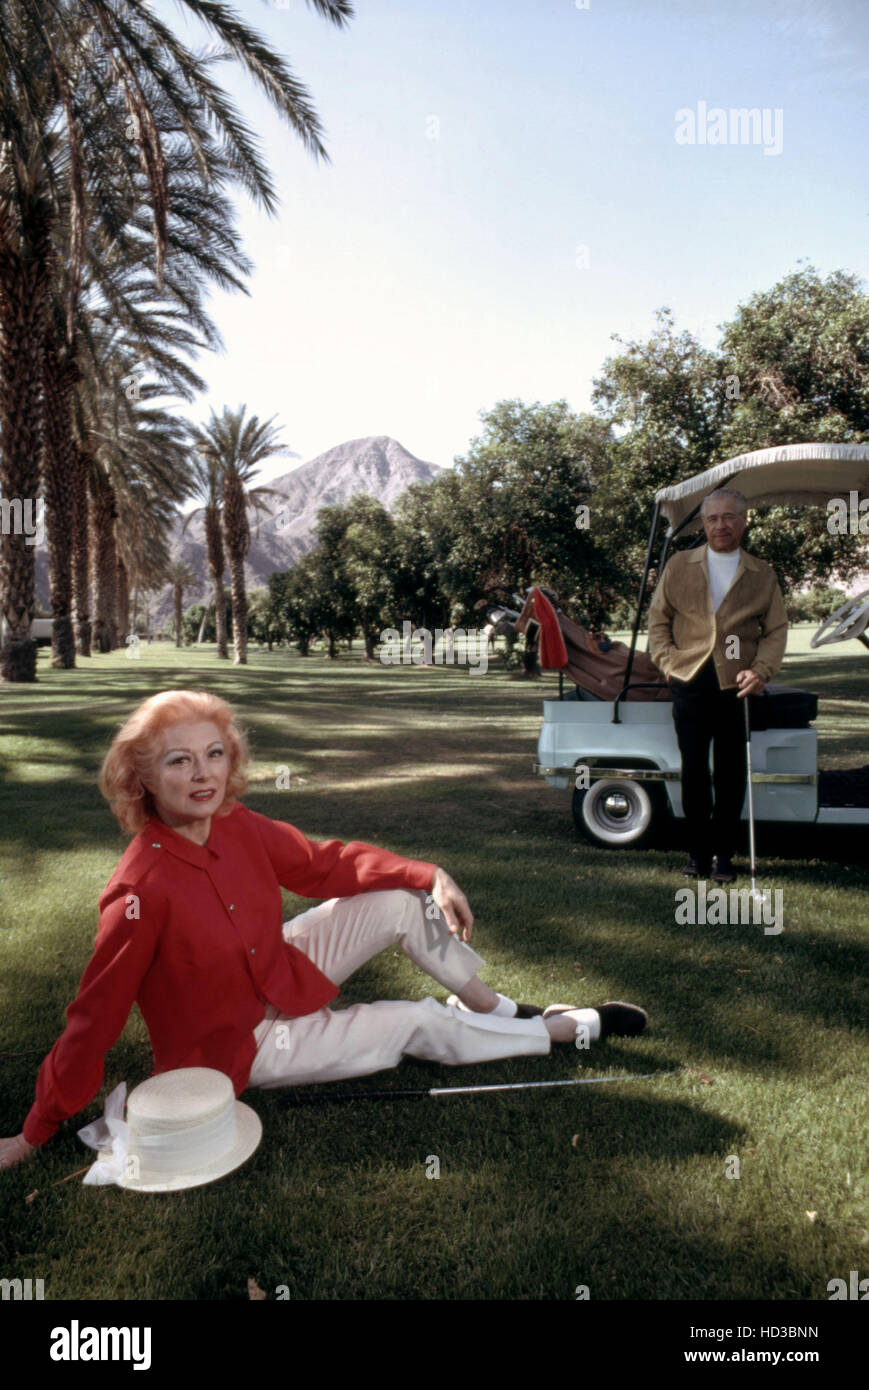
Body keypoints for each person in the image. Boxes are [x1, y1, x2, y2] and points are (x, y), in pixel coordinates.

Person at [0, 689, 647, 1172]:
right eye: (178, 761)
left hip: (279, 970)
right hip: (241, 1047)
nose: (202, 775)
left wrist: (428, 874)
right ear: (141, 777)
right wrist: (35, 1131)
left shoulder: (237, 826)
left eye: (214, 755)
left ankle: (499, 1007)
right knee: (412, 1022)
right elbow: (93, 1018)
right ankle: (561, 1029)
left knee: (396, 900)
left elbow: (323, 865)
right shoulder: (136, 893)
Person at [647, 487, 787, 883]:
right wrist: (669, 662)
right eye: (712, 518)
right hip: (689, 680)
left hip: (737, 686)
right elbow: (658, 622)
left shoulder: (762, 573)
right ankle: (697, 854)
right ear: (703, 523)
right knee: (693, 771)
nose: (720, 525)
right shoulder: (679, 565)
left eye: (729, 517)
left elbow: (776, 630)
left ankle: (724, 856)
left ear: (743, 521)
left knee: (729, 774)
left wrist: (761, 670)